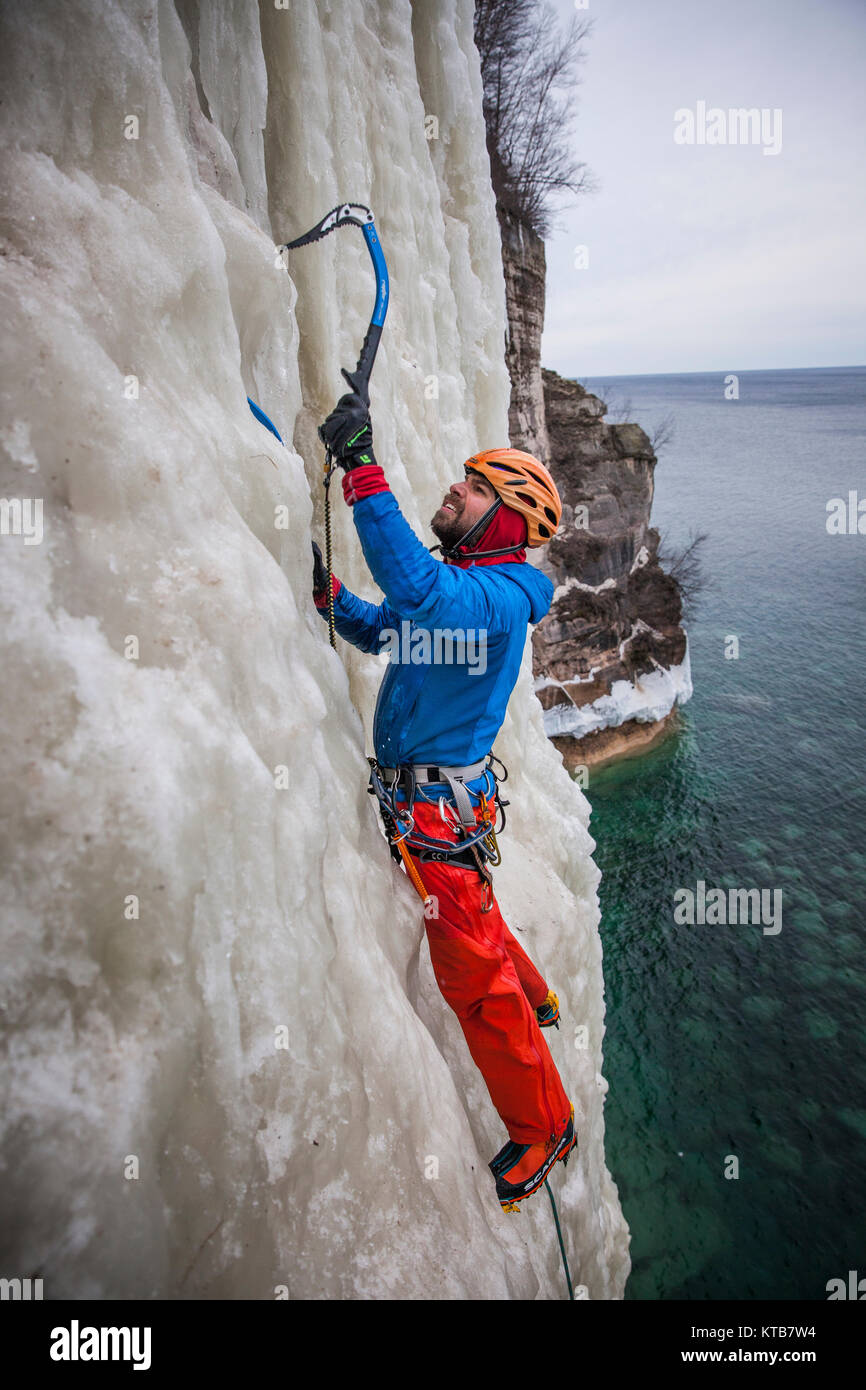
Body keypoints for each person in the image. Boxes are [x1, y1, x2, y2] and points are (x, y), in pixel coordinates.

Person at [312, 390, 576, 1211]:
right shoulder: (465, 590)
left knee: (470, 980)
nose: (454, 492)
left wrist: (361, 466)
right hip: (435, 809)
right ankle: (538, 994)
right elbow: (390, 628)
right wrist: (332, 602)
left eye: (473, 488)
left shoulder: (498, 599)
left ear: (503, 522)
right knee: (478, 914)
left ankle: (545, 1125)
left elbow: (421, 596)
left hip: (436, 815)